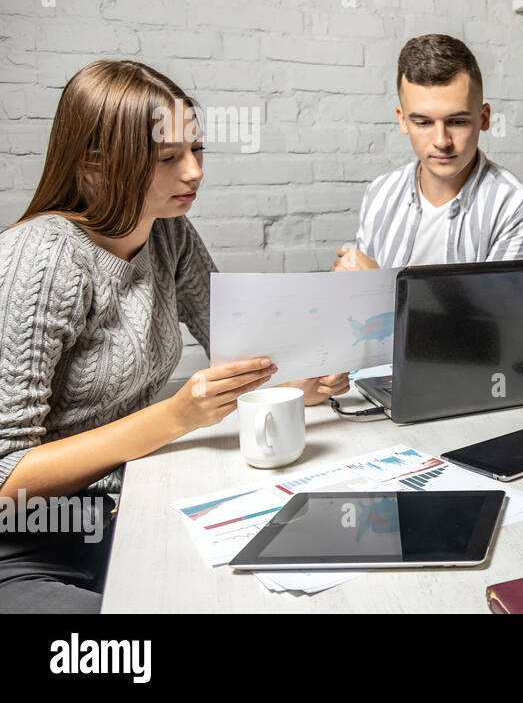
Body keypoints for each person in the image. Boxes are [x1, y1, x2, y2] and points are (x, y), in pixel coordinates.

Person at [0, 60, 347, 613]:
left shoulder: (171, 233)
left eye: (197, 150)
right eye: (168, 158)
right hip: (30, 547)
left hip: (132, 511)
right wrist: (178, 416)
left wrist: (305, 377)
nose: (194, 172)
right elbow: (6, 479)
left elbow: (240, 350)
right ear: (94, 166)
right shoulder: (39, 258)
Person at [333, 34, 523, 271]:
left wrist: (376, 283)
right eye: (423, 123)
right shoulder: (379, 193)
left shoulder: (516, 208)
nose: (442, 141)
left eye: (457, 122)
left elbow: (497, 308)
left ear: (484, 118)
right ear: (403, 121)